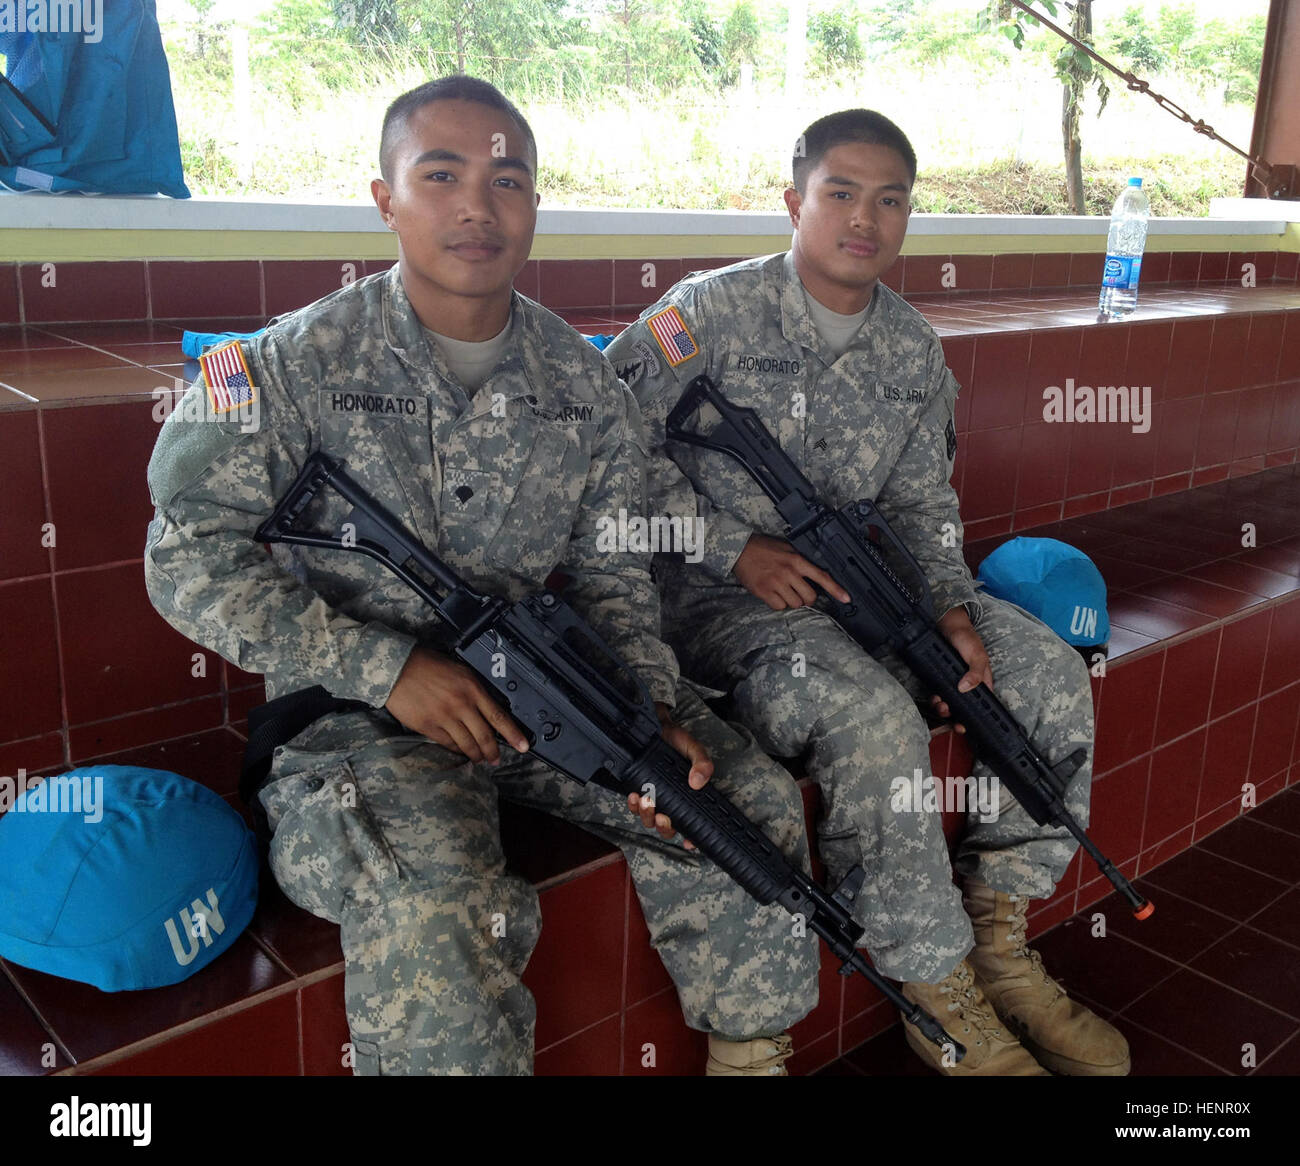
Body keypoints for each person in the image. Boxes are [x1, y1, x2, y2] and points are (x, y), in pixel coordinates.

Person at [142, 75, 818, 1076]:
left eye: (507, 178)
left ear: (534, 203)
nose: (476, 204)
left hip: (545, 689)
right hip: (354, 716)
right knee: (439, 896)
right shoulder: (289, 368)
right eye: (441, 174)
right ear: (386, 198)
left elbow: (612, 570)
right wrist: (385, 668)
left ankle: (750, 1057)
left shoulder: (582, 383)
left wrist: (647, 712)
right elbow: (184, 557)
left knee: (734, 802)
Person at [604, 109, 1129, 1076]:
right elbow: (602, 452)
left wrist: (951, 608)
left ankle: (999, 939)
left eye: (890, 199)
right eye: (840, 192)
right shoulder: (702, 316)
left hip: (867, 586)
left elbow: (924, 500)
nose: (865, 218)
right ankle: (935, 983)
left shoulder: (911, 349)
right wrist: (733, 547)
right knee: (868, 713)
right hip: (717, 602)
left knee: (1048, 674)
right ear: (793, 200)